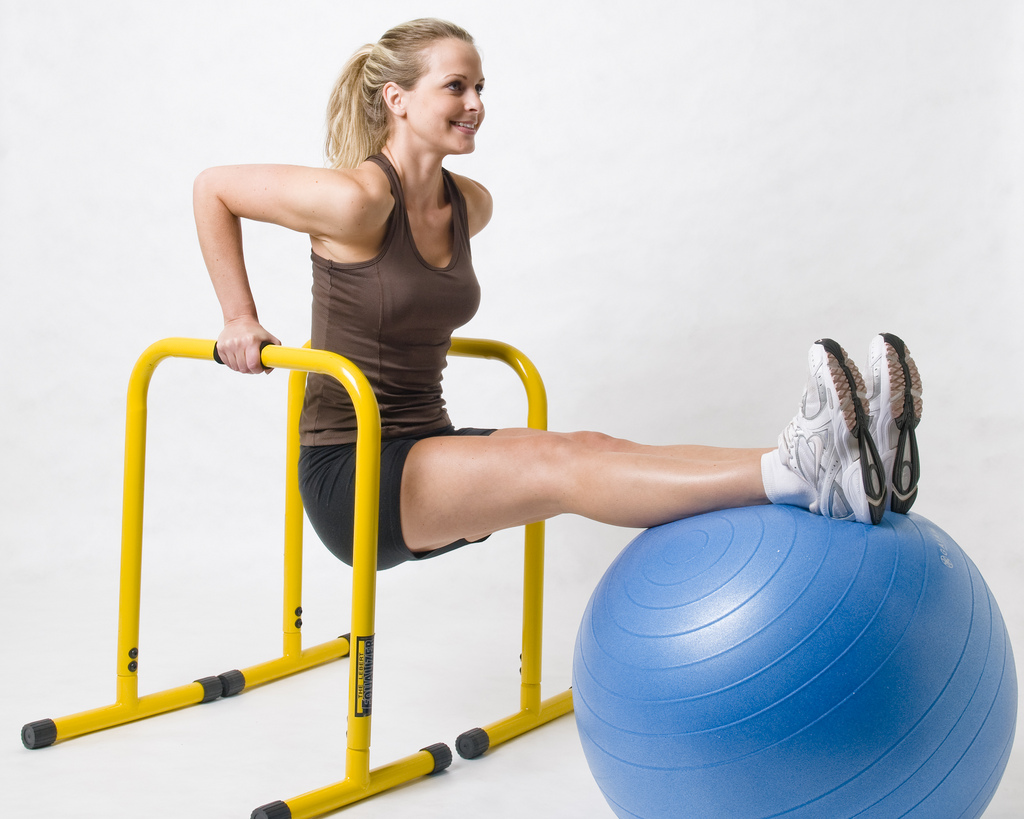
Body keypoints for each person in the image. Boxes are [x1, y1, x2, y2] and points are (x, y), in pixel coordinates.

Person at [193, 18, 923, 571]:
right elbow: (213, 188)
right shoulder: (354, 200)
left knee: (589, 447)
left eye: (480, 88)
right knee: (562, 466)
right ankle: (802, 473)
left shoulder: (468, 203)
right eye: (456, 87)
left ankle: (832, 458)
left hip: (429, 446)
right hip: (353, 470)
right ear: (398, 99)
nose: (476, 103)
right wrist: (239, 318)